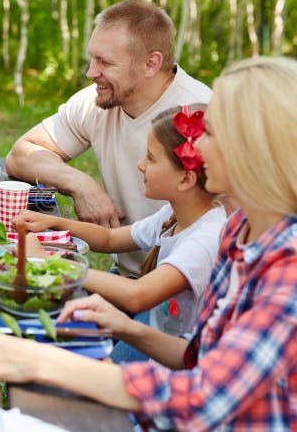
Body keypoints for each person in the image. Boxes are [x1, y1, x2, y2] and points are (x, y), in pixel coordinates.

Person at [0, 57, 297, 432]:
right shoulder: (242, 231)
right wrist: (126, 327)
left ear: (253, 148)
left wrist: (42, 363)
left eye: (210, 132)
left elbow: (202, 397)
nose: (199, 147)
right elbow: (199, 356)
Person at [6, 0, 211, 277]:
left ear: (151, 63)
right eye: (92, 58)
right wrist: (80, 184)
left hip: (183, 293)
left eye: (105, 62)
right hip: (125, 277)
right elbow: (21, 154)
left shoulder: (201, 119)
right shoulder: (97, 101)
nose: (91, 72)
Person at [15, 104, 226, 363]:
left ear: (185, 179)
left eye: (150, 157)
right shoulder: (174, 214)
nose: (140, 164)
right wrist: (52, 221)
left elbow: (137, 296)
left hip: (175, 357)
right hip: (158, 330)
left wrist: (50, 263)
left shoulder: (205, 239)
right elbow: (111, 239)